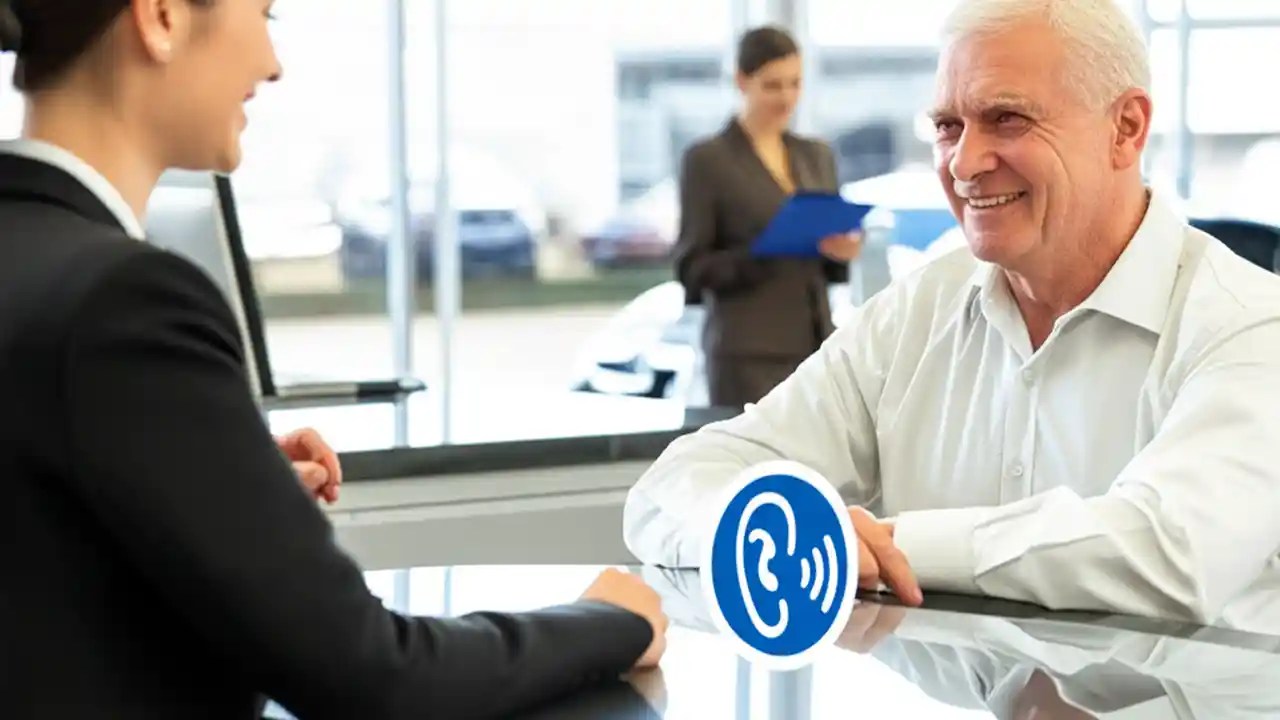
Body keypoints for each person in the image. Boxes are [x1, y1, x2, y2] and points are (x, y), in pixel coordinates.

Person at [0, 1, 668, 717]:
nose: (272, 62)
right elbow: (378, 677)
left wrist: (217, 486)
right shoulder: (127, 300)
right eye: (264, 12)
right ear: (161, 16)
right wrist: (609, 620)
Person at [625, 0, 1280, 632]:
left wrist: (887, 544)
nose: (964, 163)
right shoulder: (920, 309)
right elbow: (670, 490)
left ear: (1126, 128)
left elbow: (1167, 554)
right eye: (947, 126)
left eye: (1008, 119)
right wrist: (760, 525)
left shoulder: (1248, 327)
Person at [674, 25, 862, 408]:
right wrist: (768, 249)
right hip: (747, 353)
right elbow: (691, 267)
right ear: (742, 81)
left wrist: (840, 250)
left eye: (795, 83)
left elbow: (827, 261)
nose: (787, 97)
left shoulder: (816, 155)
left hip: (814, 345)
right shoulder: (709, 160)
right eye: (772, 85)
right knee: (753, 465)